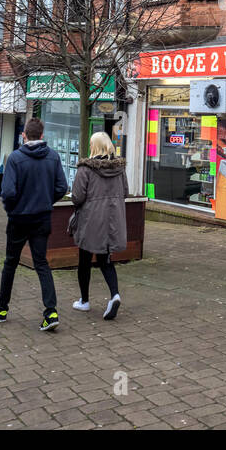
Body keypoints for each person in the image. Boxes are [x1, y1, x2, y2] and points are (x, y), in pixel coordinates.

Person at [0, 117, 67, 331]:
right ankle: (51, 312)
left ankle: (2, 309)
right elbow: (62, 186)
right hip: (42, 218)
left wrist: (13, 209)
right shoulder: (53, 157)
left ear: (24, 135)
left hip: (19, 219)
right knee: (41, 263)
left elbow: (8, 192)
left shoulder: (15, 158)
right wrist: (46, 201)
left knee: (10, 263)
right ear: (42, 136)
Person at [69, 132, 128, 320]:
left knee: (84, 261)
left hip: (90, 222)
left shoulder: (85, 169)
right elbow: (125, 193)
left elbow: (77, 197)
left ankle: (84, 301)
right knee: (106, 260)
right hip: (112, 222)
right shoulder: (120, 169)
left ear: (94, 146)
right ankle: (115, 295)